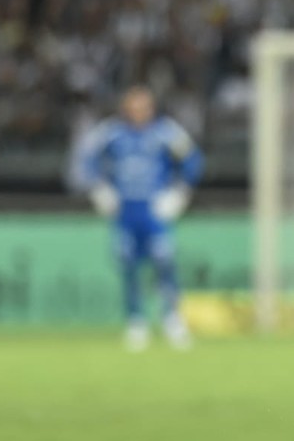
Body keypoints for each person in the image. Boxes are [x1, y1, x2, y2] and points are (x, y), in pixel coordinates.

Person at [80, 86, 204, 351]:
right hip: (125, 212)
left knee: (164, 262)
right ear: (126, 109)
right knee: (128, 265)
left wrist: (180, 193)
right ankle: (136, 321)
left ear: (151, 108)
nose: (138, 112)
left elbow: (193, 160)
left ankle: (172, 319)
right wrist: (100, 190)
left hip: (154, 212)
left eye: (143, 107)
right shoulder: (112, 133)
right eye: (133, 107)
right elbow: (86, 158)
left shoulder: (165, 132)